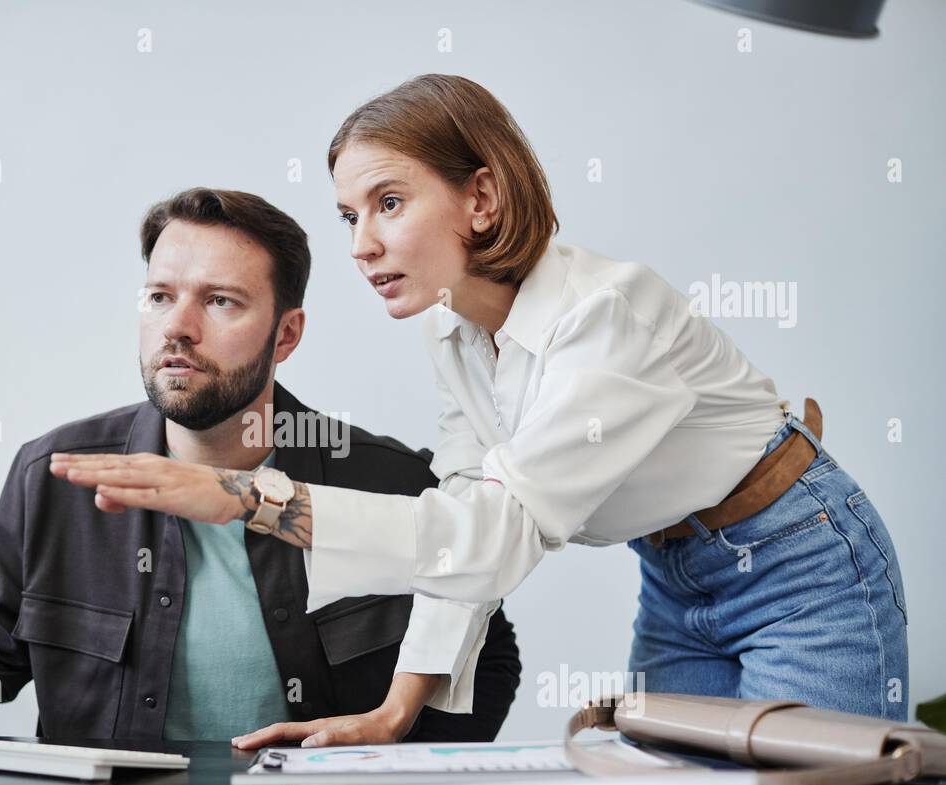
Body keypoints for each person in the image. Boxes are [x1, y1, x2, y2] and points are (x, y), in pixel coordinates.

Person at [53, 75, 910, 749]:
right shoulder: (454, 334)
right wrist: (395, 713)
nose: (360, 244)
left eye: (389, 203)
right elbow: (464, 527)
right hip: (677, 572)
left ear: (482, 198)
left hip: (798, 561)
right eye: (350, 215)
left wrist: (252, 500)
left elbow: (500, 534)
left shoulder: (608, 316)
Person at [0, 186, 521, 749]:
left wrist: (389, 776)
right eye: (158, 296)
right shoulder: (55, 476)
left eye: (221, 302)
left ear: (287, 335)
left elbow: (485, 660)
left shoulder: (381, 479)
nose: (177, 328)